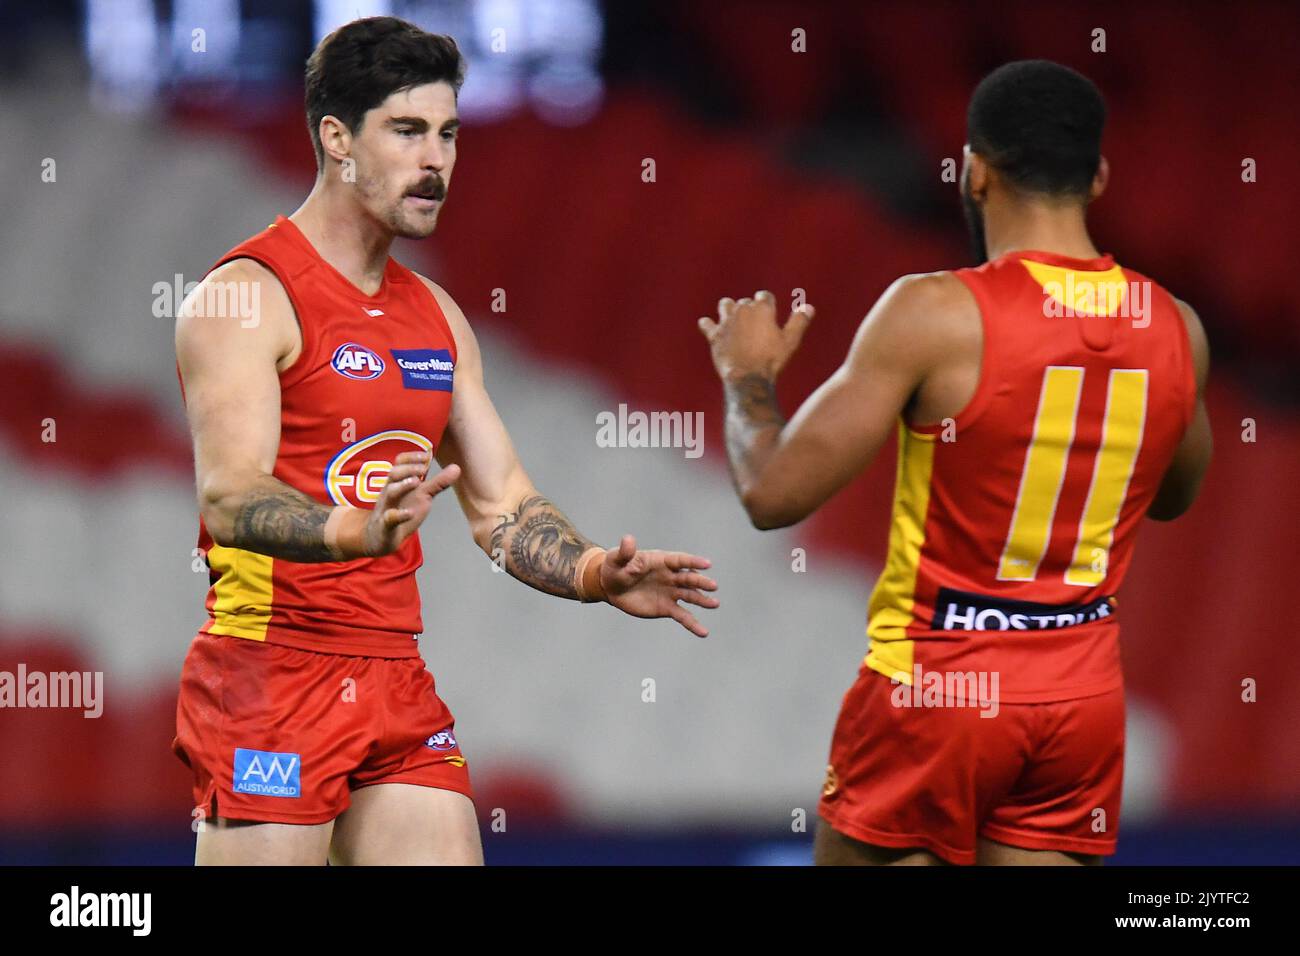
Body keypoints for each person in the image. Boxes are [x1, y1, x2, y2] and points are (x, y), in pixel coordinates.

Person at [172, 16, 718, 866]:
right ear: (336, 139)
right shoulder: (248, 294)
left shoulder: (436, 317)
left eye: (449, 133)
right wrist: (349, 532)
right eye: (408, 131)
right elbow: (230, 495)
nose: (437, 160)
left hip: (394, 678)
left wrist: (589, 571)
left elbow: (500, 504)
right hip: (269, 676)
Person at [699, 59, 1210, 865]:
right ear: (1099, 176)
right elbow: (1177, 493)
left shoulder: (933, 311)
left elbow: (770, 493)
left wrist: (747, 377)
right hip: (1078, 697)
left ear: (974, 171)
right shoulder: (1176, 326)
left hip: (937, 686)